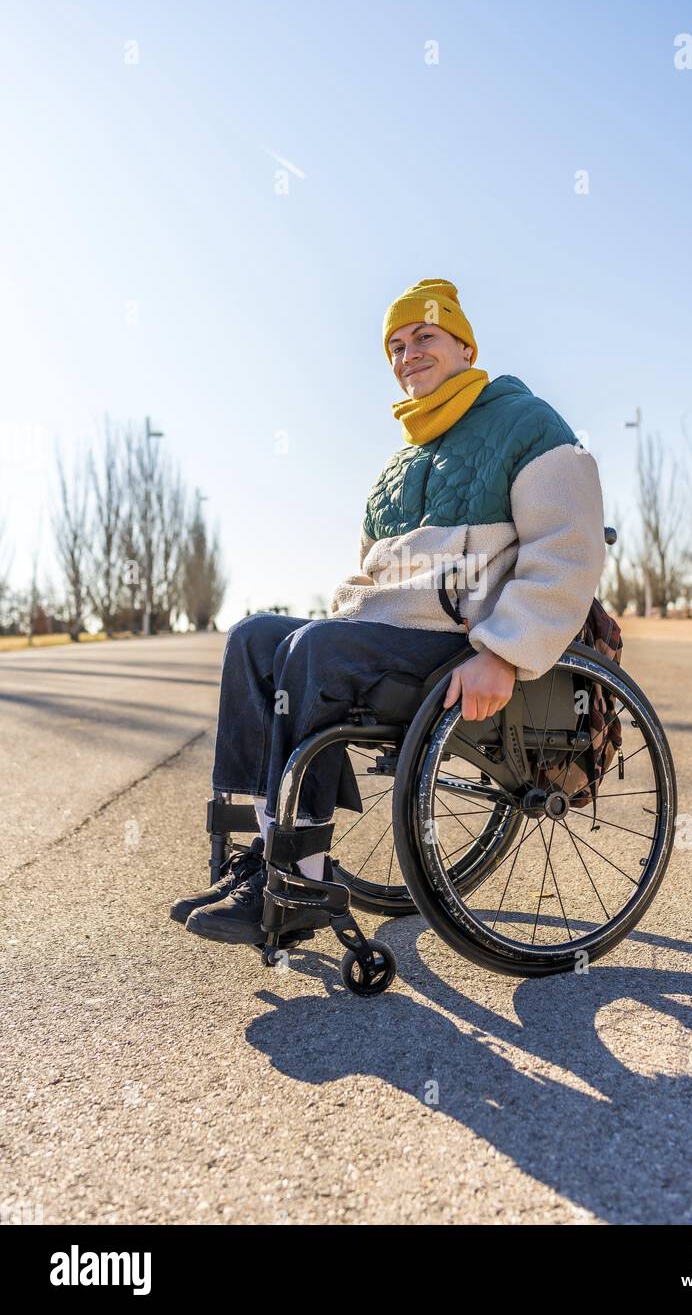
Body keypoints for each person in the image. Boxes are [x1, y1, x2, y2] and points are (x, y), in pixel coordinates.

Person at [170, 278, 605, 945]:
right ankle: (262, 855)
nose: (408, 355)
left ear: (464, 344)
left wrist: (504, 652)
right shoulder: (397, 469)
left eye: (424, 337)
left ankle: (299, 882)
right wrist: (336, 619)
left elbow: (569, 548)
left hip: (459, 642)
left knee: (312, 650)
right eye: (395, 347)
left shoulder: (527, 423)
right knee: (255, 639)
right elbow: (370, 573)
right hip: (385, 637)